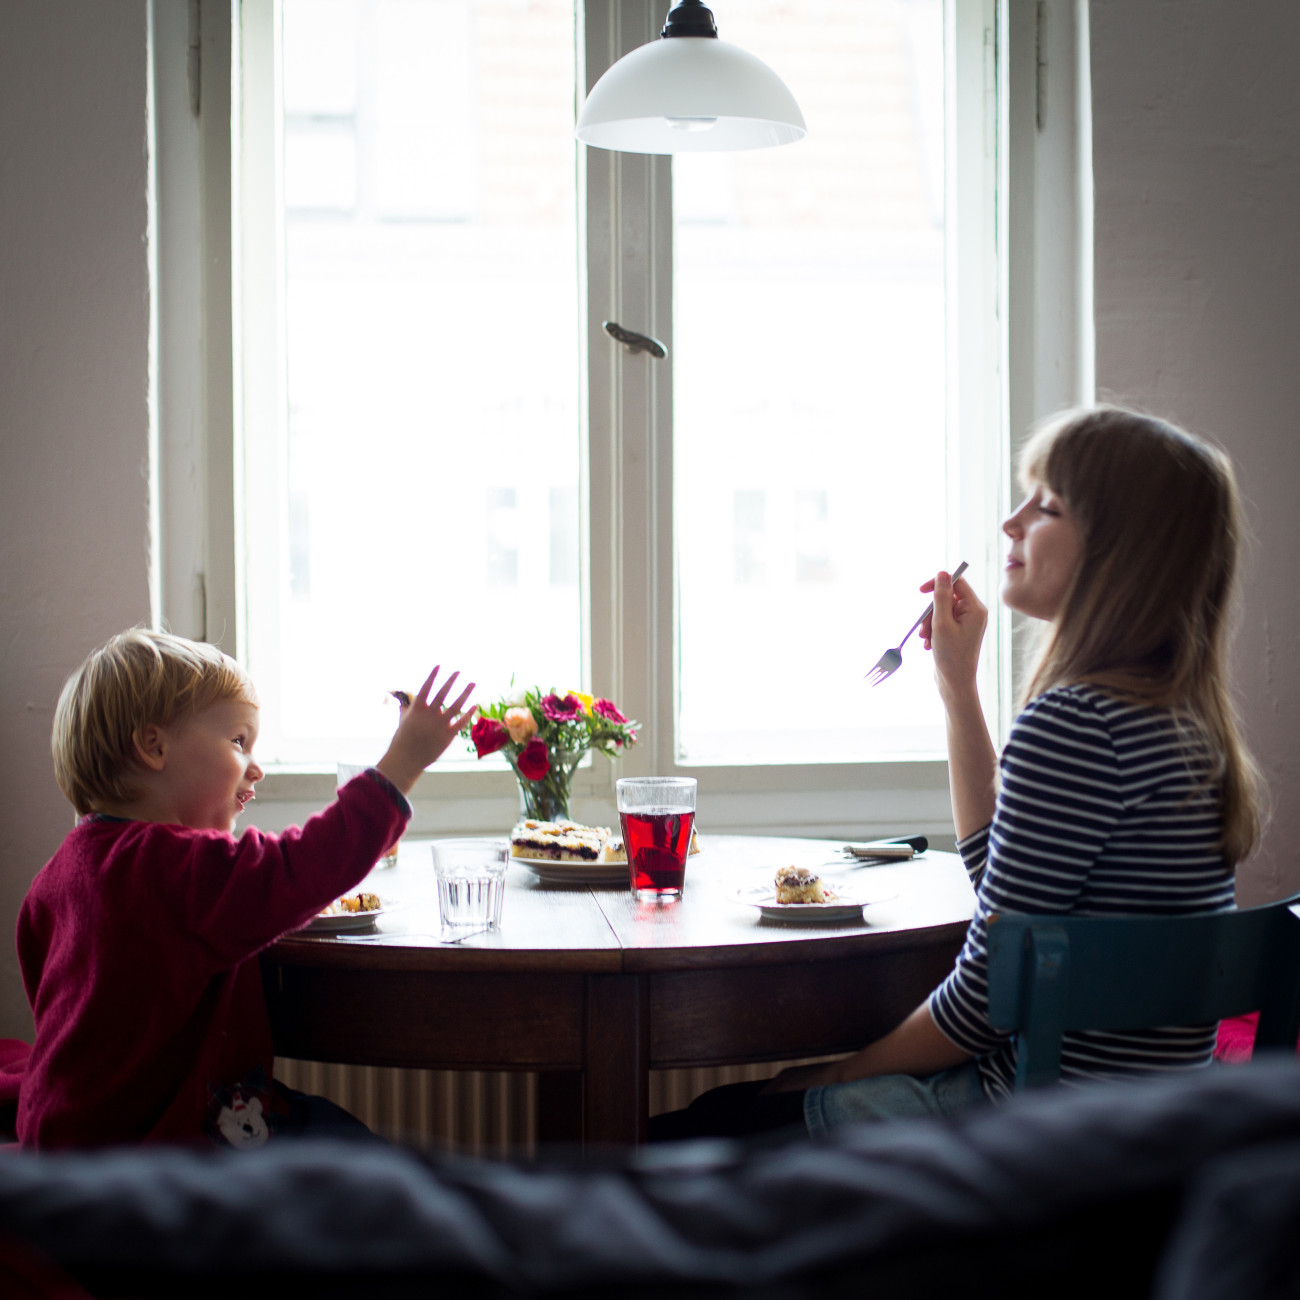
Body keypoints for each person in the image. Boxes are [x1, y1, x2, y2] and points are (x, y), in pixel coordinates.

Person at [650, 405, 1264, 1143]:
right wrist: (956, 686)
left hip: (1039, 1130)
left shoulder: (1076, 723)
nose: (1012, 522)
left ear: (1118, 557)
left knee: (690, 1135)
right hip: (1144, 1131)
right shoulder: (1182, 729)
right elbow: (1002, 886)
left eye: (1048, 505)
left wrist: (837, 1073)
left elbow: (985, 1000)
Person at [17, 629, 475, 1150]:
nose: (254, 768)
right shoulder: (175, 869)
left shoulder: (57, 876)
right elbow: (302, 865)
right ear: (154, 746)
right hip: (151, 1158)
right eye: (238, 741)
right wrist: (402, 764)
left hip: (60, 1134)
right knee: (365, 1159)